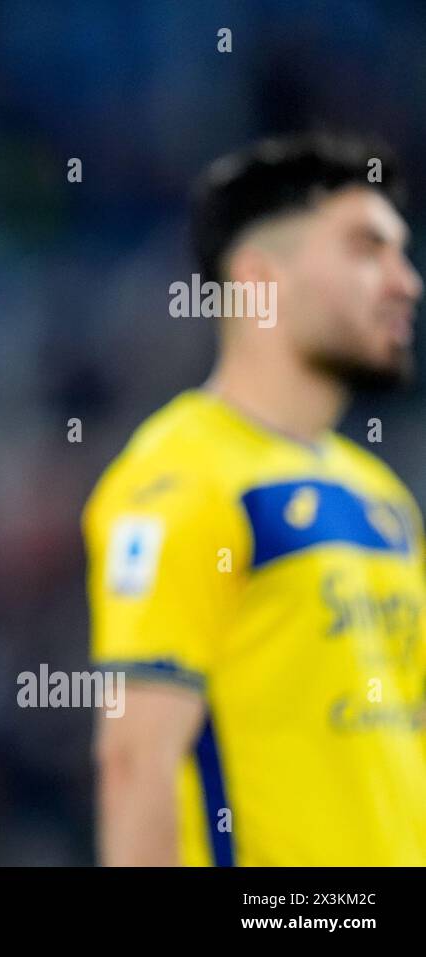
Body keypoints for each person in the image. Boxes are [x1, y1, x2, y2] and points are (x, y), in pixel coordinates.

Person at [85, 134, 426, 865]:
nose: (406, 281)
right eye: (367, 249)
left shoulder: (384, 498)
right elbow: (135, 761)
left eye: (402, 251)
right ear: (259, 278)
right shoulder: (176, 481)